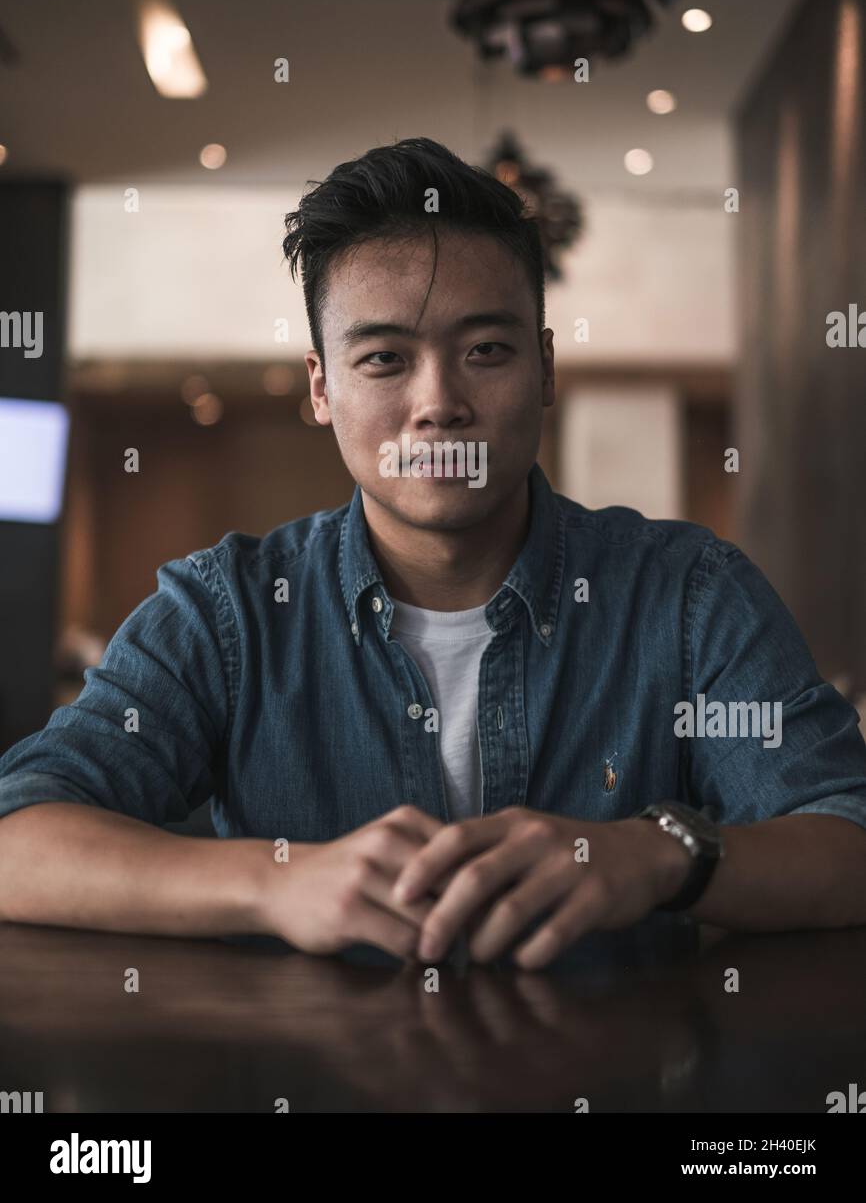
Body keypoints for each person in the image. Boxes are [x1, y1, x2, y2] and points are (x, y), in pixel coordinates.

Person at [2, 136, 866, 971]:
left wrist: (658, 854)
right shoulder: (224, 614)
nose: (438, 403)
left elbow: (845, 837)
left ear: (546, 368)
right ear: (320, 387)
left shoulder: (687, 594)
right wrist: (275, 881)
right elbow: (19, 838)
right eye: (384, 359)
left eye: (486, 351)